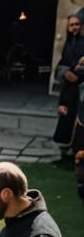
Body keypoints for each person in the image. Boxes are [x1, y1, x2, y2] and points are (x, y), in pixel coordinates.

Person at [52, 13, 84, 147]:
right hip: (68, 87)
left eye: (76, 24)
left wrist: (77, 73)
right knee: (65, 115)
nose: (74, 27)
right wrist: (65, 72)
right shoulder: (68, 43)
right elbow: (63, 63)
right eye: (71, 25)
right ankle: (64, 147)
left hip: (80, 85)